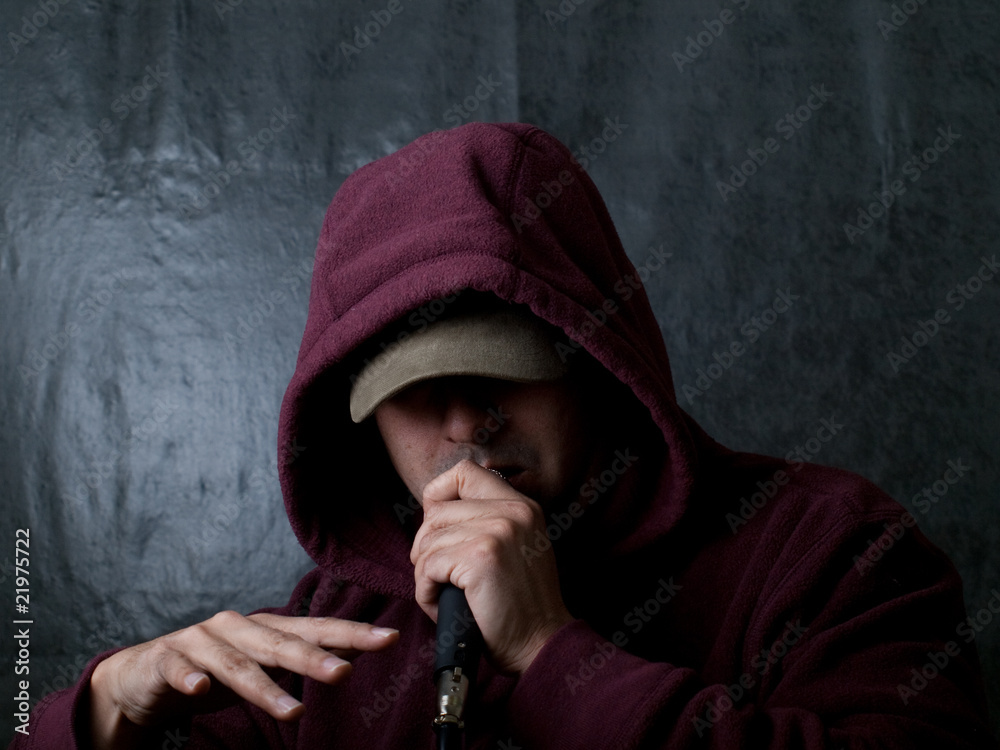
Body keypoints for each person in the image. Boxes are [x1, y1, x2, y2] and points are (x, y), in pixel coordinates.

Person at [11, 122, 996, 749]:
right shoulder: (347, 622)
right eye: (413, 395)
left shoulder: (831, 551)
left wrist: (549, 652)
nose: (462, 427)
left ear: (595, 363)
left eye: (500, 372)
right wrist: (98, 713)